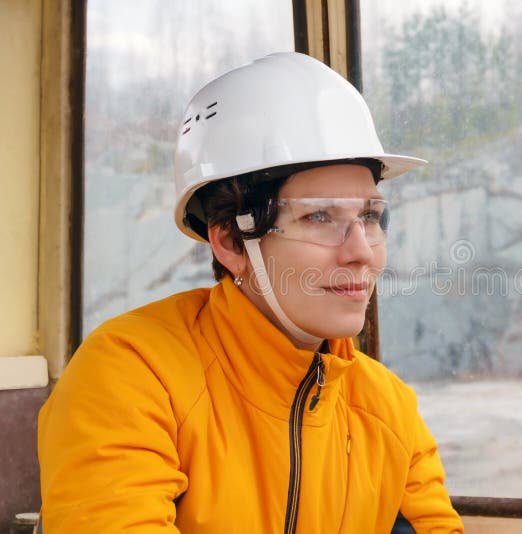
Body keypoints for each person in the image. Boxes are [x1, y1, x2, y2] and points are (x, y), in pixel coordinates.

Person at [37, 52, 463, 533]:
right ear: (230, 241)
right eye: (318, 217)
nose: (361, 252)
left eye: (370, 216)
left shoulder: (388, 408)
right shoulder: (131, 373)